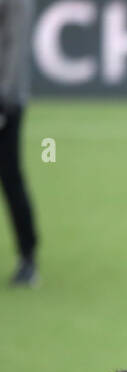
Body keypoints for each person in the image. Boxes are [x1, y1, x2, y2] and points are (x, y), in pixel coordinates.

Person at [0, 0, 38, 286]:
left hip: (6, 102)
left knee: (10, 175)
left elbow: (16, 43)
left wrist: (5, 99)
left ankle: (28, 255)